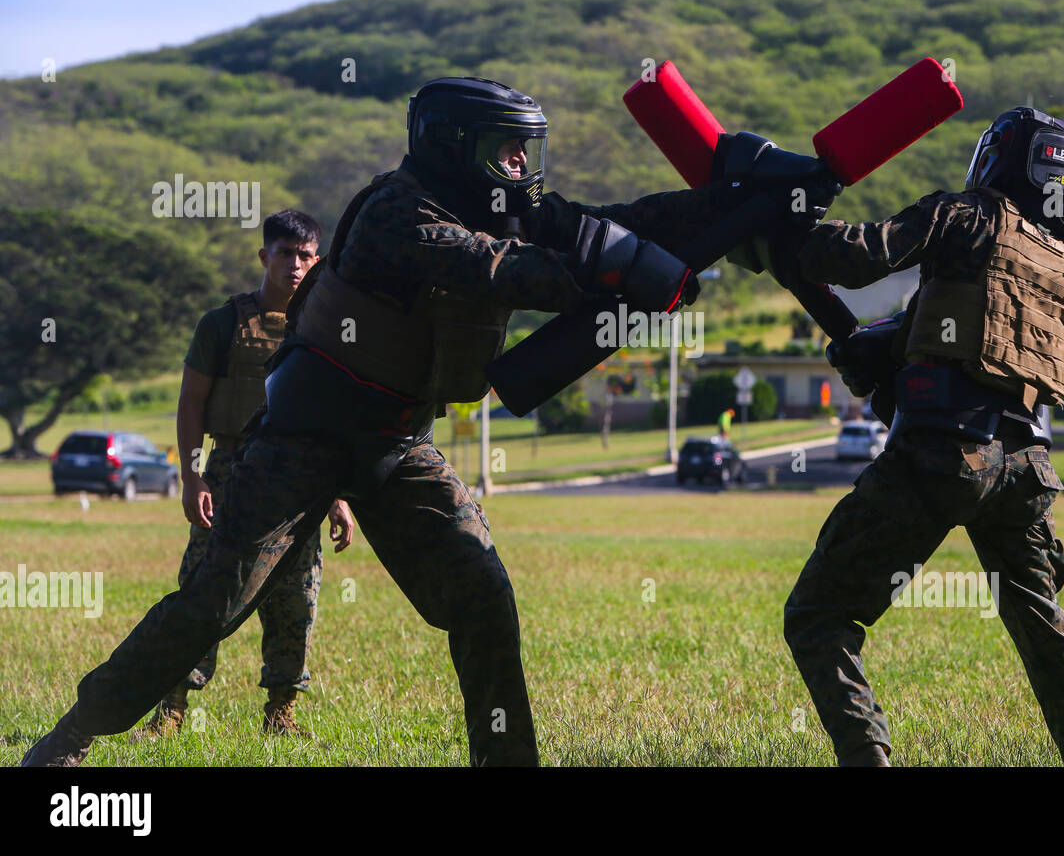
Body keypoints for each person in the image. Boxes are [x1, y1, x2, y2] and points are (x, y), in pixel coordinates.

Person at [23, 76, 809, 767]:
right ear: (451, 147)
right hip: (305, 437)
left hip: (397, 441)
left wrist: (742, 205)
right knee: (210, 607)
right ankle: (64, 742)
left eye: (524, 155)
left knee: (482, 599)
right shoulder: (397, 214)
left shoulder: (488, 206)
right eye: (505, 153)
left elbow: (611, 221)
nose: (518, 171)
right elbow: (515, 270)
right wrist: (641, 268)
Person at [766, 107, 1064, 765]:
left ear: (1001, 157)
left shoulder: (968, 215)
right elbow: (970, 323)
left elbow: (853, 259)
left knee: (818, 616)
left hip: (943, 453)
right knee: (1047, 638)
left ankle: (866, 755)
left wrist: (786, 228)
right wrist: (890, 352)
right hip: (1026, 470)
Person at [135, 210, 354, 741]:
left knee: (296, 598)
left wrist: (340, 498)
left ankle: (282, 714)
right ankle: (172, 711)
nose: (295, 266)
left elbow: (338, 416)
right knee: (203, 589)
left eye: (306, 257)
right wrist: (192, 479)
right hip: (232, 469)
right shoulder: (223, 323)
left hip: (302, 477)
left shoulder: (326, 328)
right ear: (264, 257)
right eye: (285, 253)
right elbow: (191, 402)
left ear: (318, 262)